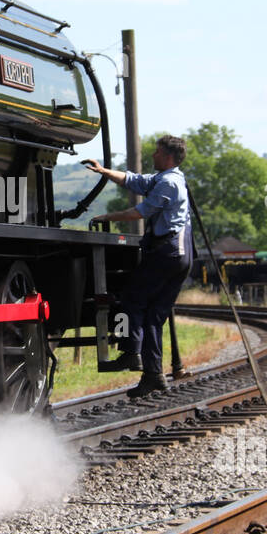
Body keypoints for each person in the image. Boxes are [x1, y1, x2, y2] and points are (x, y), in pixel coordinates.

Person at [83, 135, 192, 397]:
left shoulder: (168, 182)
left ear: (167, 156)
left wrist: (108, 216)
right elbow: (133, 181)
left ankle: (131, 353)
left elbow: (141, 212)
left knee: (132, 300)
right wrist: (103, 170)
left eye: (156, 152)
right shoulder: (165, 179)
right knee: (154, 316)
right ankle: (153, 375)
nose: (152, 155)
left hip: (168, 252)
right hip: (179, 254)